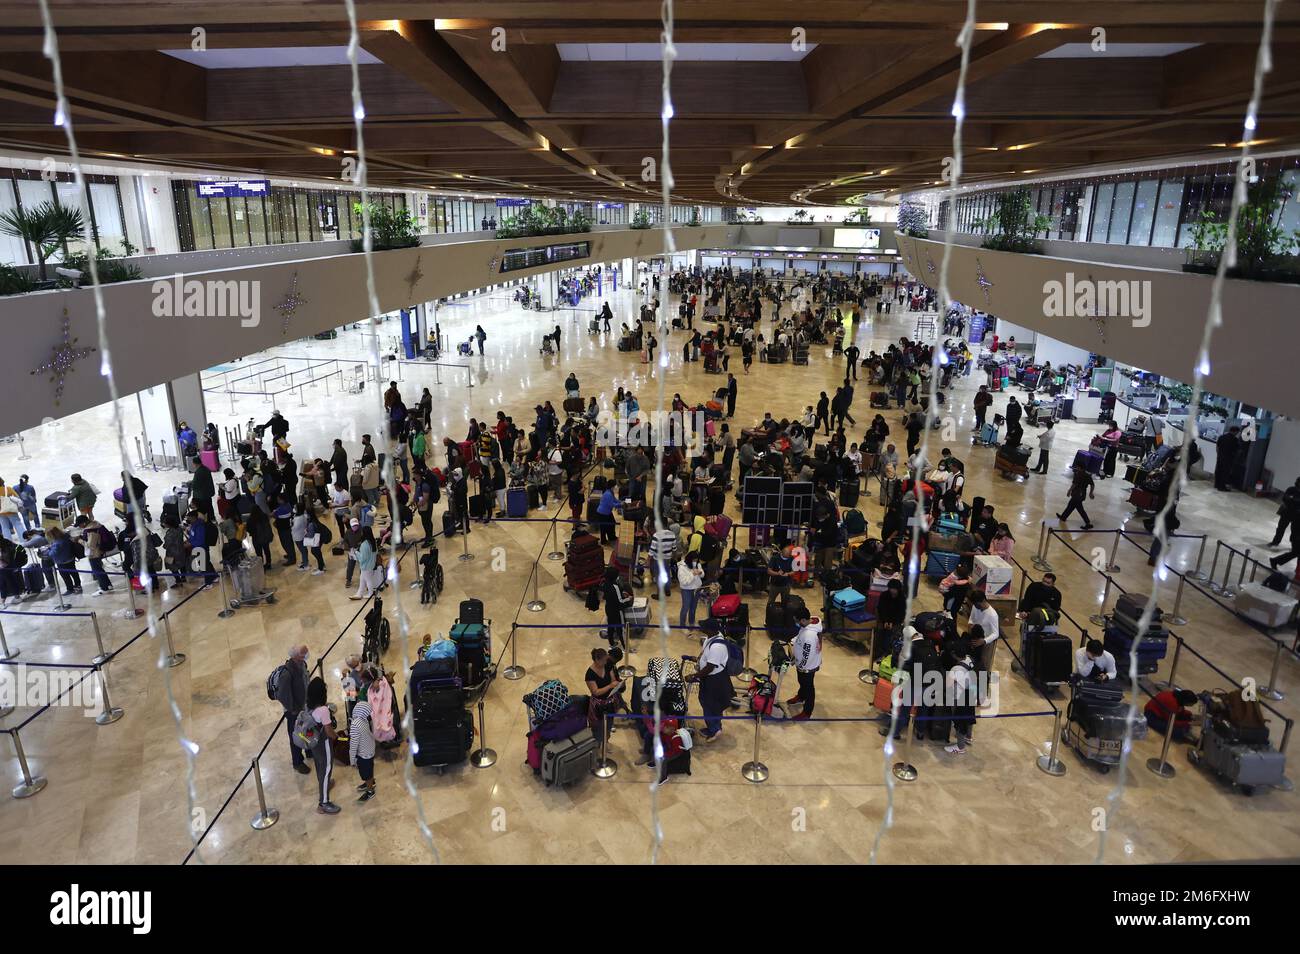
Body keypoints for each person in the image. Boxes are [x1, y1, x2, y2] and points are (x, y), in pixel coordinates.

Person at [304, 676, 341, 815]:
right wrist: (337, 738)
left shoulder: (308, 706)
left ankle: (324, 784)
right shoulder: (323, 710)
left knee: (320, 766)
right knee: (326, 769)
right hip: (324, 743)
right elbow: (329, 731)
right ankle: (323, 803)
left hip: (314, 742)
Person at [273, 645, 312, 776]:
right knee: (295, 736)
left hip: (304, 706)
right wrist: (293, 709)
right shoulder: (286, 674)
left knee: (307, 729)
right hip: (294, 712)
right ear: (295, 656)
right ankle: (297, 762)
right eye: (304, 653)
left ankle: (309, 749)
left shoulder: (302, 664)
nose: (306, 655)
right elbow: (282, 695)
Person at [688, 634, 732, 742]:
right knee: (715, 704)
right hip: (714, 679)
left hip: (713, 681)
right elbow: (707, 659)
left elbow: (709, 668)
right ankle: (716, 726)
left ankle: (714, 730)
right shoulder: (713, 639)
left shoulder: (716, 647)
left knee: (707, 704)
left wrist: (694, 676)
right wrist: (697, 660)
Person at [787, 607, 823, 721]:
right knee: (802, 682)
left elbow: (807, 656)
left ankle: (807, 711)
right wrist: (794, 641)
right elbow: (800, 635)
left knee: (808, 687)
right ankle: (801, 696)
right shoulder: (809, 623)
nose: (796, 623)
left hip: (807, 666)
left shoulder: (809, 636)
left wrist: (799, 665)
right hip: (802, 664)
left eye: (796, 621)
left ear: (802, 620)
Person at [585, 647, 626, 736]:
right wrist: (610, 686)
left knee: (609, 724)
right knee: (598, 727)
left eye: (606, 660)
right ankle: (599, 742)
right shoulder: (590, 674)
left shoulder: (607, 665)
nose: (605, 662)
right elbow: (596, 692)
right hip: (599, 705)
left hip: (610, 701)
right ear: (596, 660)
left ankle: (606, 739)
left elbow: (613, 680)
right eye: (603, 660)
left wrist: (618, 684)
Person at [349, 683, 378, 802]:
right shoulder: (364, 720)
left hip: (364, 754)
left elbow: (353, 745)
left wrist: (352, 760)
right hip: (370, 750)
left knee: (366, 773)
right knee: (369, 769)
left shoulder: (355, 724)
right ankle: (370, 782)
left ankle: (370, 790)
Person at [602, 566, 633, 650]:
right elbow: (620, 601)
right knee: (621, 629)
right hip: (617, 610)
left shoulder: (605, 583)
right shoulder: (615, 586)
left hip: (608, 608)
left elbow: (606, 596)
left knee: (611, 626)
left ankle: (612, 643)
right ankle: (625, 647)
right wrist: (628, 598)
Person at [968, 592, 1001, 671]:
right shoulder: (975, 607)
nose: (976, 606)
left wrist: (984, 641)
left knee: (984, 665)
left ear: (983, 601)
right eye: (975, 604)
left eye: (977, 604)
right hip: (975, 638)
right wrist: (970, 625)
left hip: (986, 643)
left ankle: (984, 679)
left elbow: (996, 633)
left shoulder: (992, 615)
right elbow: (971, 620)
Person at [1057, 464, 1096, 530]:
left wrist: (1069, 490)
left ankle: (1088, 523)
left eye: (1078, 467)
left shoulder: (1078, 474)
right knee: (1071, 505)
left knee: (1080, 509)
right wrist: (1091, 493)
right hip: (1082, 493)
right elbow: (1092, 484)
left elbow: (1074, 484)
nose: (1077, 468)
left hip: (1077, 493)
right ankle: (1063, 517)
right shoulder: (1087, 475)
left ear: (1080, 468)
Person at [676, 551, 704, 630]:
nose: (695, 562)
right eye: (694, 560)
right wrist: (693, 574)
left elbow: (702, 575)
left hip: (696, 589)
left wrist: (700, 572)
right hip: (686, 590)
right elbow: (684, 582)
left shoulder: (697, 564)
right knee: (686, 607)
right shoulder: (682, 568)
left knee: (693, 607)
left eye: (696, 560)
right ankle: (682, 624)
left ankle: (691, 623)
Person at [1271, 477, 1300, 547]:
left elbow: (1291, 500)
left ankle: (1294, 547)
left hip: (1297, 515)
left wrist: (1293, 500)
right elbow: (1285, 498)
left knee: (1295, 532)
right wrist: (1294, 501)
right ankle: (1275, 542)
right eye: (1297, 481)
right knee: (1280, 528)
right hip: (1287, 513)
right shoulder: (1291, 489)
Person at [1214, 425, 1241, 492]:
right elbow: (1237, 451)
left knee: (1218, 471)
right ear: (1235, 432)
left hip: (1220, 457)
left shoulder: (1222, 437)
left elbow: (1217, 447)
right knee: (1225, 472)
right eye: (1237, 432)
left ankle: (1216, 485)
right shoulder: (1235, 440)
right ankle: (1222, 487)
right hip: (1228, 459)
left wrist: (1219, 455)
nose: (1237, 434)